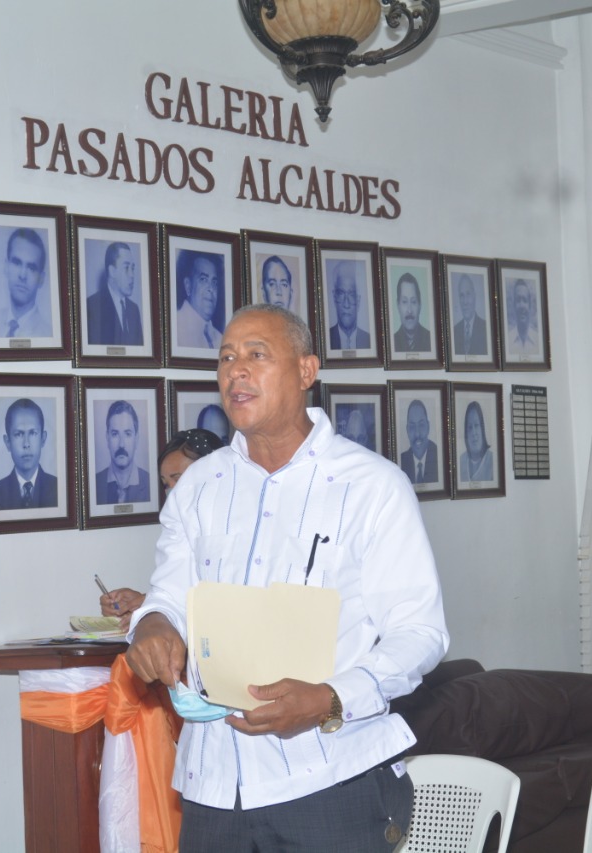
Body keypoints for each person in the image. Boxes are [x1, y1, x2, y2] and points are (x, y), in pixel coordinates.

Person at [125, 303, 448, 852]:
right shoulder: (199, 487)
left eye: (256, 354)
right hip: (214, 785)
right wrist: (153, 626)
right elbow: (169, 597)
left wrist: (329, 698)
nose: (235, 370)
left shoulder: (371, 486)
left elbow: (420, 634)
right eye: (226, 357)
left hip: (327, 779)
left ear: (306, 371)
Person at [99, 428, 226, 629]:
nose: (173, 491)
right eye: (166, 484)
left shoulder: (237, 522)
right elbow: (181, 583)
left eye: (179, 479)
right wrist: (148, 602)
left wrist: (152, 605)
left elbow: (224, 599)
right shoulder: (177, 525)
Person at [0, 398, 58, 510]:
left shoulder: (60, 488)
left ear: (43, 439)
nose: (26, 444)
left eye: (33, 433)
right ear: (7, 442)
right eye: (18, 434)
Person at [0, 227, 51, 339]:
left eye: (32, 268)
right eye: (17, 263)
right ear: (6, 266)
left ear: (41, 279)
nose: (23, 275)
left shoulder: (48, 336)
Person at [85, 241, 143, 346]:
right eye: (126, 268)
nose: (132, 275)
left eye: (132, 268)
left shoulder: (134, 310)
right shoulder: (91, 307)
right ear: (112, 271)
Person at [95, 400, 151, 505]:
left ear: (137, 438)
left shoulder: (152, 484)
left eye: (127, 434)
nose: (121, 444)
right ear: (107, 438)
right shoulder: (94, 484)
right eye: (115, 434)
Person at [174, 251, 222, 349]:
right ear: (188, 286)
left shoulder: (221, 338)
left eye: (214, 282)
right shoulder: (174, 329)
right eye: (203, 279)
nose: (211, 289)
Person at [327, 261, 371, 350]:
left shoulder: (369, 340)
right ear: (334, 297)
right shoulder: (326, 338)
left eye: (351, 294)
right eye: (341, 293)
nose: (346, 304)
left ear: (358, 301)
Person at [399, 399, 438, 486]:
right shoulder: (401, 462)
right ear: (407, 430)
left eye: (421, 425)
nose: (417, 433)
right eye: (412, 426)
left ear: (428, 427)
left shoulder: (440, 458)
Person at [392, 272, 430, 353]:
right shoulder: (391, 342)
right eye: (404, 302)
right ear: (398, 305)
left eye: (413, 302)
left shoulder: (431, 340)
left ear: (420, 305)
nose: (409, 310)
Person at [457, 402, 495, 483]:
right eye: (470, 427)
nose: (473, 433)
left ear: (482, 429)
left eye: (477, 425)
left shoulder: (493, 460)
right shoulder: (460, 461)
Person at [451, 274, 488, 355]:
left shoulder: (486, 328)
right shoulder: (453, 331)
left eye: (468, 294)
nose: (465, 302)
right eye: (462, 296)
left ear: (474, 296)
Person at [506, 279, 540, 357]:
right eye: (518, 300)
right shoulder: (507, 341)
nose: (521, 306)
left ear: (530, 305)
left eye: (525, 300)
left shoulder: (538, 340)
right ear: (514, 305)